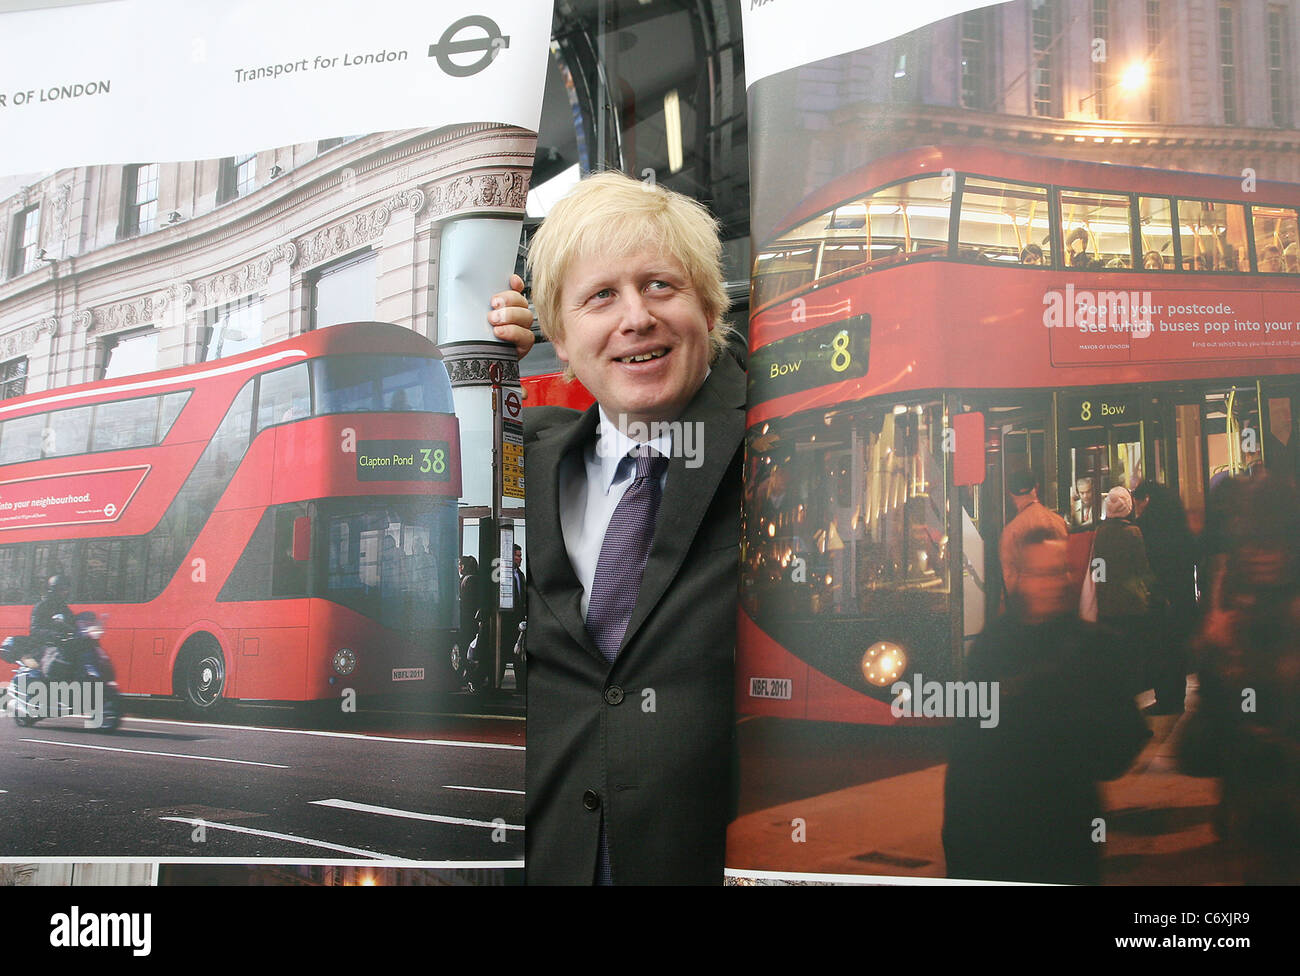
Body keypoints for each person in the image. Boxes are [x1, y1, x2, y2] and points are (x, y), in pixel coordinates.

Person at [487, 170, 743, 884]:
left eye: (662, 285)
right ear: (560, 341)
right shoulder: (523, 462)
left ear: (711, 306)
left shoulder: (780, 443)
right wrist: (477, 365)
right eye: (601, 296)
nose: (636, 317)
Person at [943, 528, 1150, 884]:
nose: (1055, 583)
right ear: (1020, 578)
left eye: (1060, 571)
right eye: (1043, 573)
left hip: (1065, 830)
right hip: (1000, 836)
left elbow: (1123, 740)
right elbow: (967, 755)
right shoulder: (992, 649)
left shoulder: (1092, 647)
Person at [1132, 482, 1196, 713]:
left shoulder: (1147, 527)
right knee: (1176, 650)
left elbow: (1143, 566)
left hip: (1159, 599)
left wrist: (1146, 592)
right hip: (1181, 597)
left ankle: (1165, 700)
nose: (1136, 509)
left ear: (1146, 499)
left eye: (1137, 503)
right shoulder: (1178, 523)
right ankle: (1175, 699)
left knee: (1160, 651)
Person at [1092, 485, 1155, 694]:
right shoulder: (1133, 533)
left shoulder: (1099, 534)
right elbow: (1142, 568)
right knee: (1133, 654)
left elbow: (1097, 569)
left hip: (1107, 605)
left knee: (1114, 655)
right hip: (1132, 605)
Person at [998, 469, 1067, 597]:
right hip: (1060, 598)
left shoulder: (1011, 531)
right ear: (1036, 487)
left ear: (1009, 493)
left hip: (1032, 602)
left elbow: (1010, 578)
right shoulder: (1059, 522)